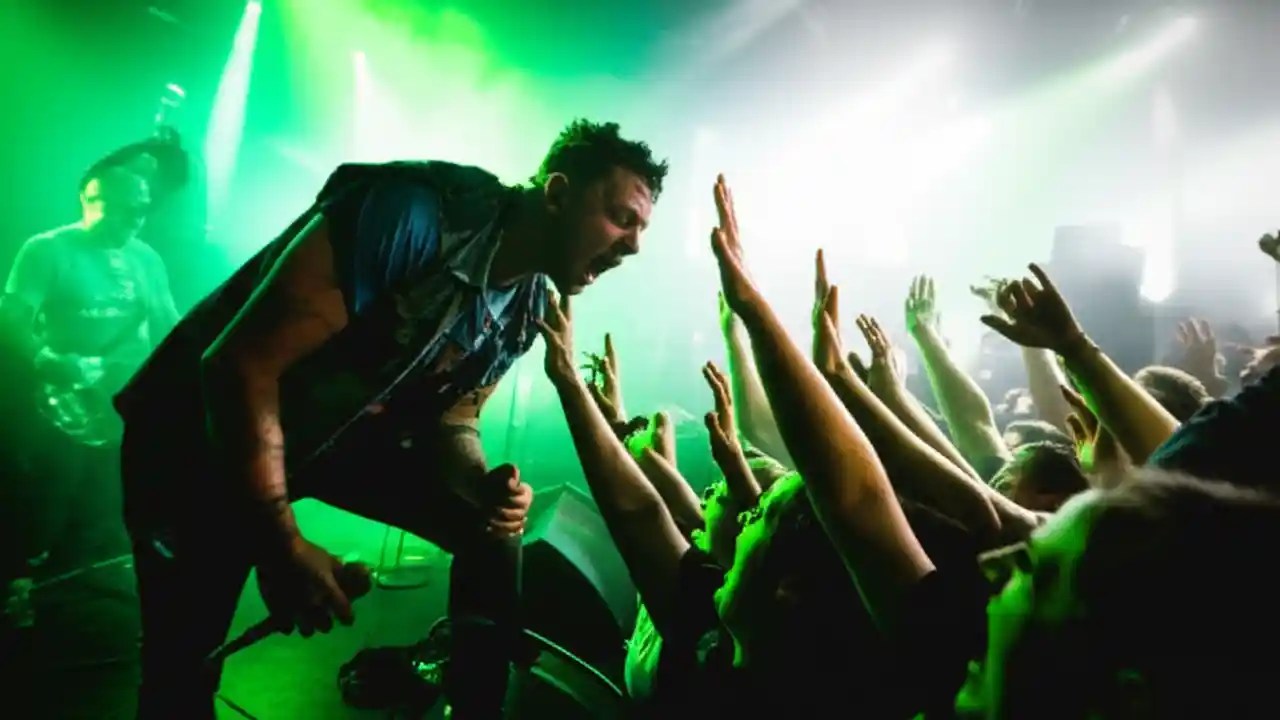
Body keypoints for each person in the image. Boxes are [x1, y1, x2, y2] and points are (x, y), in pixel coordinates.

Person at [112, 118, 667, 719]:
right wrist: (279, 542)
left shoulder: (531, 302)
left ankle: (473, 703)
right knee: (186, 663)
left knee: (491, 528)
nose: (635, 245)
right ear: (557, 194)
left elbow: (456, 414)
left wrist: (481, 482)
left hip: (327, 439)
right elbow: (237, 367)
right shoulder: (414, 215)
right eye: (622, 217)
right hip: (196, 430)